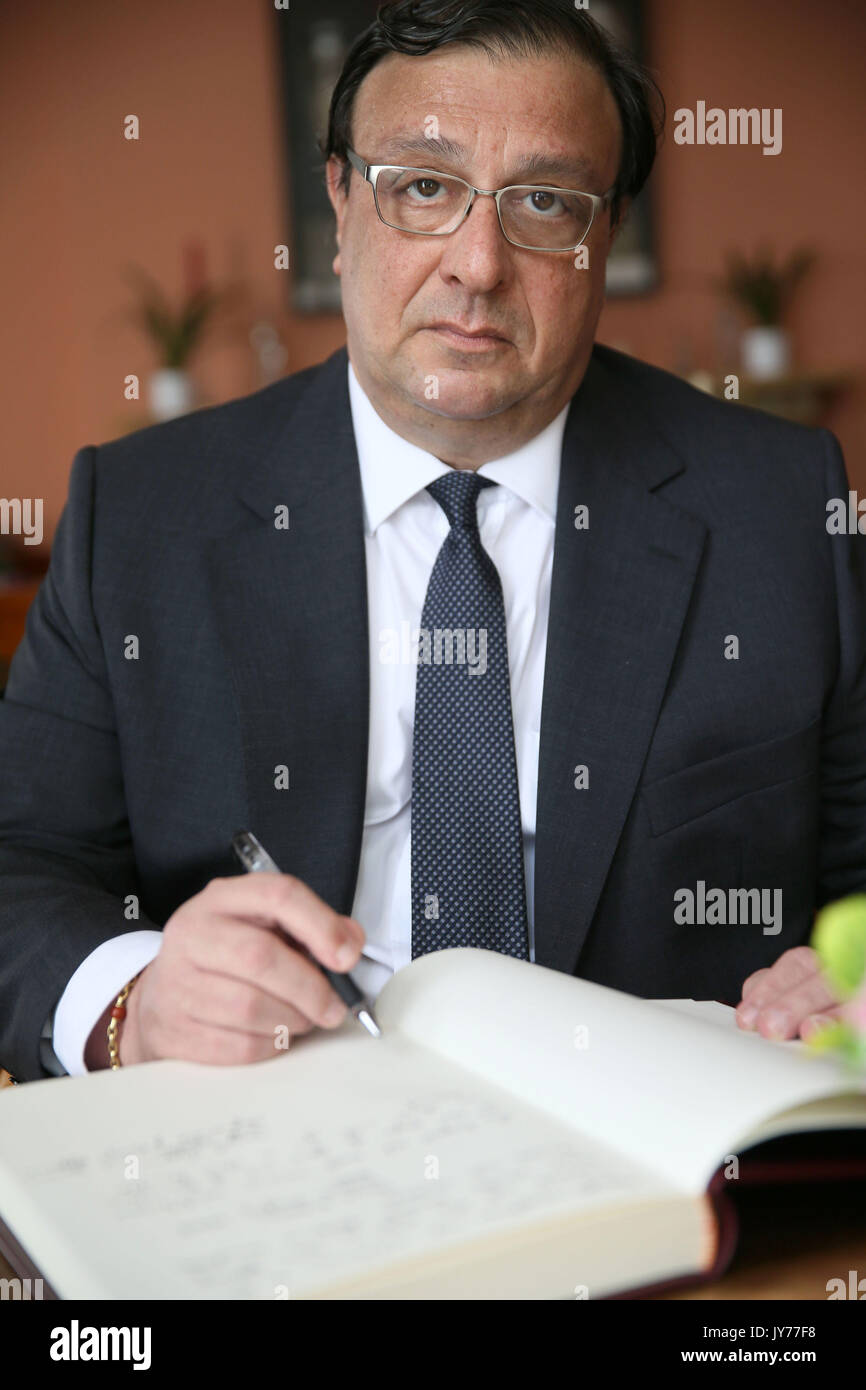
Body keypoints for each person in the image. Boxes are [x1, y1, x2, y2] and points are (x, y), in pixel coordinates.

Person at [1, 0, 864, 1084]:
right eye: (422, 186)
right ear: (340, 201)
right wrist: (134, 1002)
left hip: (660, 1157)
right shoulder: (139, 514)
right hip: (270, 1141)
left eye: (543, 202)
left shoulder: (779, 504)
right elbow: (20, 857)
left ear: (606, 230)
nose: (478, 264)